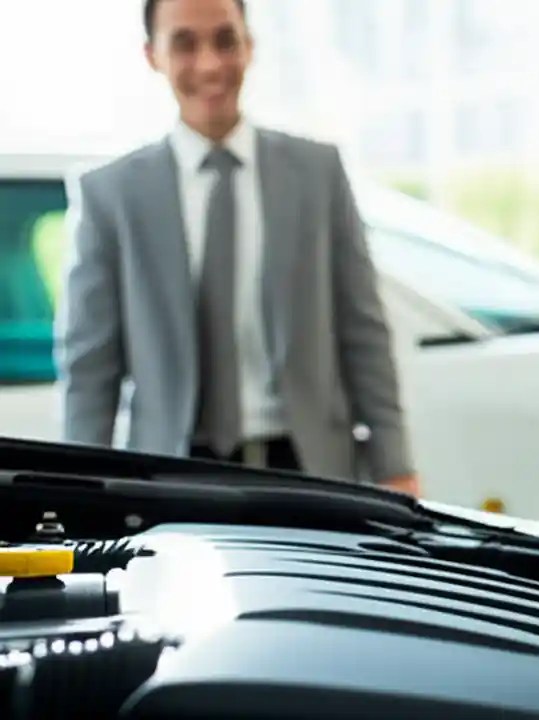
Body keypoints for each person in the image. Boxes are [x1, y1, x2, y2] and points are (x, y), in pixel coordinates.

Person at [56, 0, 420, 497]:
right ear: (152, 55)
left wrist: (393, 465)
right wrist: (80, 492)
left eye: (225, 40)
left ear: (249, 46)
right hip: (170, 475)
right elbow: (90, 367)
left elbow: (364, 336)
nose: (209, 64)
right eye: (184, 43)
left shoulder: (318, 174)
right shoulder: (111, 195)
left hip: (310, 471)